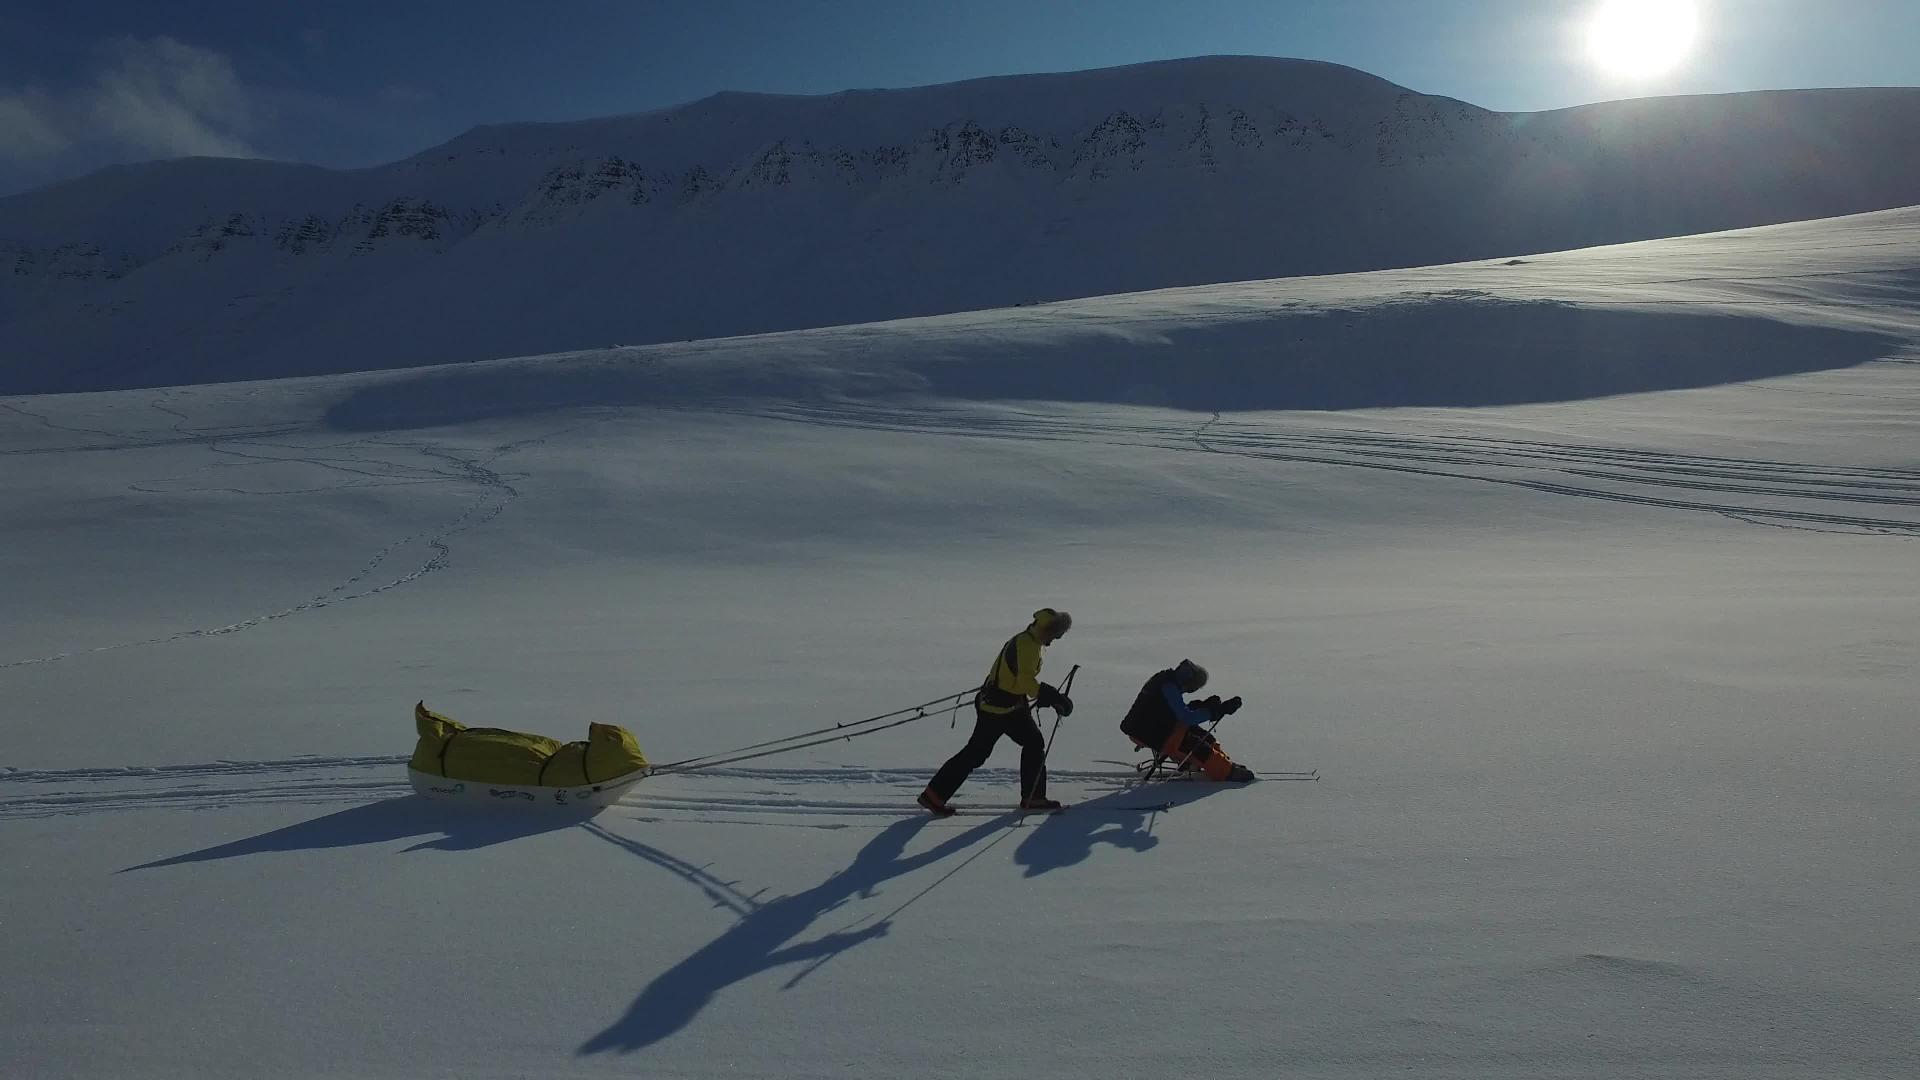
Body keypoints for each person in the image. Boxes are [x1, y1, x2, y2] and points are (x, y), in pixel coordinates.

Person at [920, 608, 1074, 816]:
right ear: (1048, 630)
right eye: (1056, 635)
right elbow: (1025, 681)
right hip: (1000, 709)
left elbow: (1017, 680)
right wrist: (1053, 697)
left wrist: (1048, 696)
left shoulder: (1027, 639)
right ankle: (1033, 798)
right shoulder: (1027, 646)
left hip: (1001, 704)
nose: (1056, 639)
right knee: (1024, 744)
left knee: (982, 751)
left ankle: (934, 795)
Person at [1119, 659, 1254, 782]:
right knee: (1197, 746)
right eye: (1193, 688)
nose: (1190, 691)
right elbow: (1186, 718)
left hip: (1153, 726)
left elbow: (1169, 709)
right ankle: (1226, 772)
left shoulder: (1167, 680)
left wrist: (1200, 706)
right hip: (1150, 732)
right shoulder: (1169, 686)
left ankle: (1224, 763)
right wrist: (1214, 712)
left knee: (1205, 737)